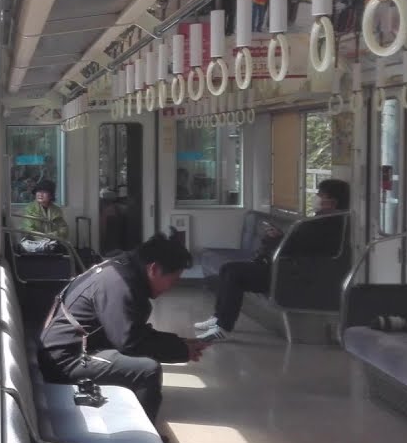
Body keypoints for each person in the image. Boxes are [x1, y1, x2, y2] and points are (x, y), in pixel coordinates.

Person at [37, 232, 210, 424]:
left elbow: (133, 332)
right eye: (173, 280)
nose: (172, 287)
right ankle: (141, 436)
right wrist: (181, 350)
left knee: (141, 357)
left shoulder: (121, 269)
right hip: (66, 361)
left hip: (75, 347)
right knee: (147, 370)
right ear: (154, 268)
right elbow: (130, 342)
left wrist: (179, 343)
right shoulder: (121, 285)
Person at [196, 178, 351, 341]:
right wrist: (279, 237)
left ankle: (222, 326)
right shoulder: (320, 221)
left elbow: (293, 249)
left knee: (233, 272)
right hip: (283, 268)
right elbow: (296, 245)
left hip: (290, 274)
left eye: (320, 194)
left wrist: (276, 239)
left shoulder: (326, 225)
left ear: (332, 201)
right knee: (228, 269)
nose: (316, 197)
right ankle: (218, 318)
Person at [20, 179, 69, 244]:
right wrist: (44, 239)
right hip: (35, 244)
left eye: (44, 192)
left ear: (51, 195)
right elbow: (28, 229)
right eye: (38, 191)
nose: (40, 194)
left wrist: (52, 236)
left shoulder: (56, 210)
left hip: (53, 242)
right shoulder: (30, 209)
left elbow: (63, 228)